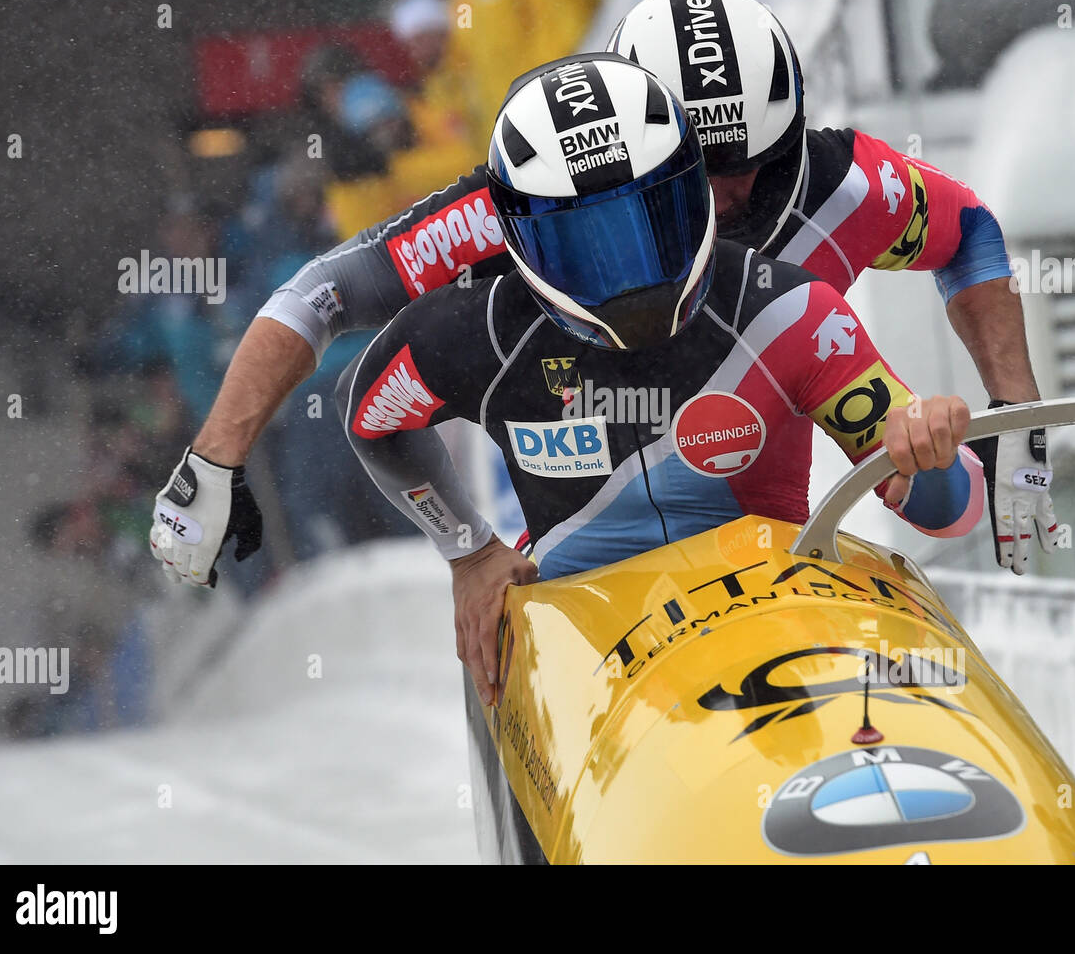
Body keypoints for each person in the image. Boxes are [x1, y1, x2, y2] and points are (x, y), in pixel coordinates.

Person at [148, 0, 1051, 592]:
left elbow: (967, 233)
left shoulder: (843, 199)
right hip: (580, 541)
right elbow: (326, 296)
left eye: (755, 168)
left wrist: (1020, 430)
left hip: (751, 533)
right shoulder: (541, 197)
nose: (729, 198)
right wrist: (214, 460)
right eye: (695, 172)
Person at [332, 53, 984, 706]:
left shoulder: (788, 313)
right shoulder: (479, 331)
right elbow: (368, 414)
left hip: (776, 633)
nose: (625, 270)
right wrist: (469, 551)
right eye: (583, 240)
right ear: (520, 239)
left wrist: (926, 458)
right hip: (582, 655)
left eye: (648, 219)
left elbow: (950, 512)